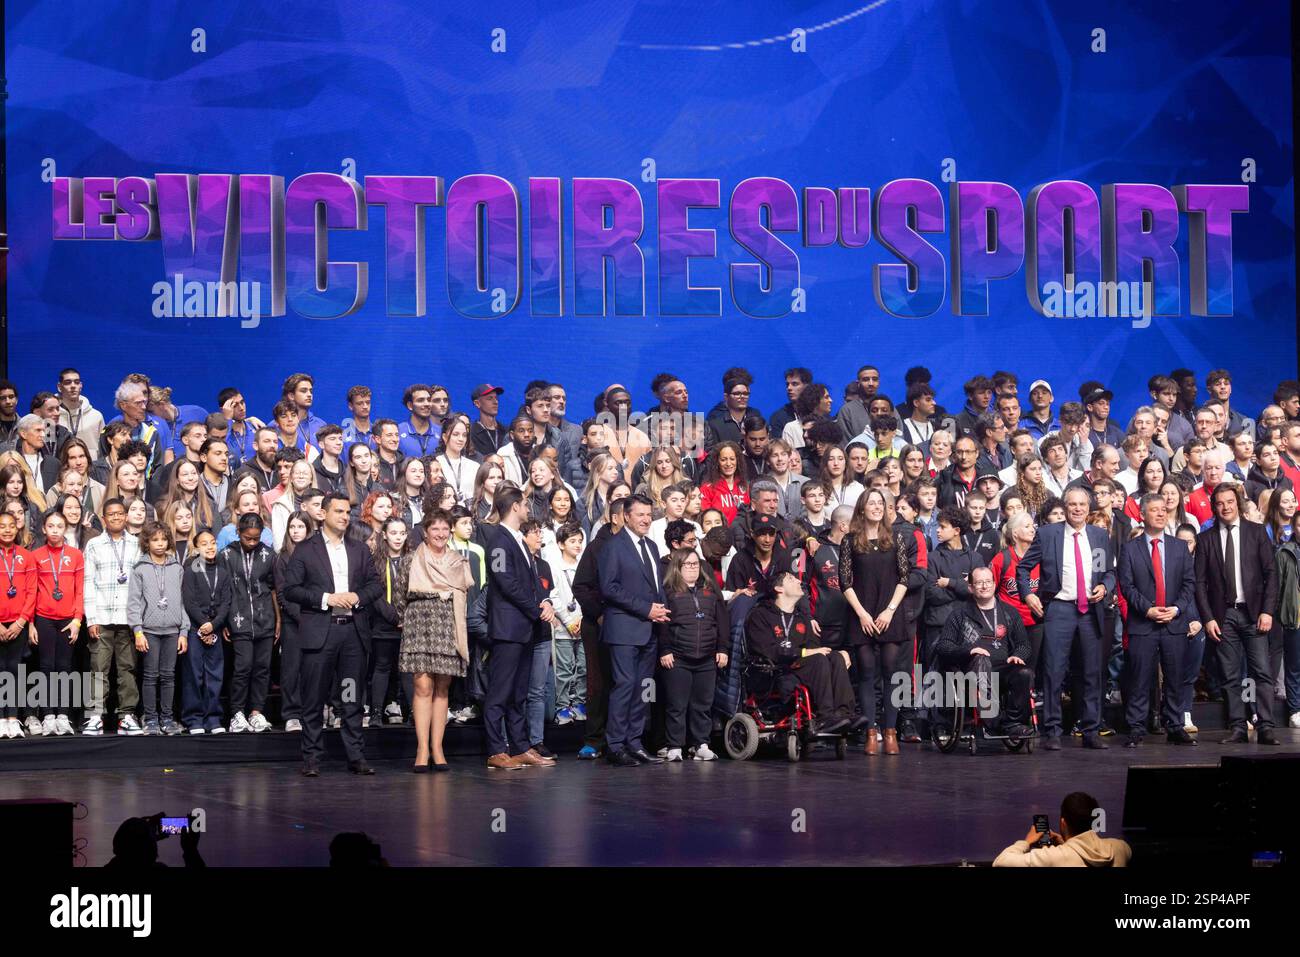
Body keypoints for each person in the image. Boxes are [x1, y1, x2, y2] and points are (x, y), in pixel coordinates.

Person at [283, 492, 383, 776]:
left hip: (352, 634)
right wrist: (327, 598)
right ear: (323, 514)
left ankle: (355, 756)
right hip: (320, 633)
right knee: (314, 698)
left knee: (351, 698)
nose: (344, 516)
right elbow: (290, 589)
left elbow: (375, 586)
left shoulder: (360, 549)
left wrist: (356, 596)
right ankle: (312, 758)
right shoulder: (305, 549)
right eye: (338, 511)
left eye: (347, 511)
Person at [1018, 486, 1115, 750]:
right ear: (1066, 506)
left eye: (1082, 504)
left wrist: (1105, 587)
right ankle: (1052, 731)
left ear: (1089, 507)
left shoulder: (1098, 535)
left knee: (1092, 672)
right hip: (1059, 609)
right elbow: (1023, 568)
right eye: (1072, 504)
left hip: (1089, 611)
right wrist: (1028, 595)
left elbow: (1107, 572)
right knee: (1053, 671)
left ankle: (1091, 730)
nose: (1078, 509)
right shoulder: (1049, 534)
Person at [1194, 484, 1280, 744]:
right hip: (1224, 617)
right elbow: (1199, 583)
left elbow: (1271, 575)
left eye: (1230, 502)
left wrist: (1267, 611)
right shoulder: (1205, 539)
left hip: (1254, 614)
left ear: (1238, 503)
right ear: (1214, 507)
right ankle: (1237, 727)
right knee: (1230, 676)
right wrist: (1208, 618)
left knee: (1262, 672)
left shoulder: (1256, 533)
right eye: (1219, 503)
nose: (1226, 507)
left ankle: (1266, 726)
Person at [482, 486, 557, 769]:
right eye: (525, 504)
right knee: (500, 691)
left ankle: (521, 746)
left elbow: (532, 580)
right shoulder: (498, 540)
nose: (528, 508)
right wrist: (535, 608)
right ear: (514, 506)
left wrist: (545, 601)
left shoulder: (518, 541)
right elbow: (506, 581)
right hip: (508, 628)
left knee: (519, 693)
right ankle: (495, 750)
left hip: (524, 627)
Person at [394, 510, 474, 772]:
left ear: (450, 531)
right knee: (422, 686)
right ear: (425, 532)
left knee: (442, 688)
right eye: (434, 529)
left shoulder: (458, 561)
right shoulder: (410, 560)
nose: (440, 534)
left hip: (448, 625)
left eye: (444, 529)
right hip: (419, 624)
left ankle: (438, 748)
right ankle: (421, 748)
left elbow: (465, 593)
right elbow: (399, 597)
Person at [1118, 494, 1199, 747]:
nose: (1161, 514)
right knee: (1140, 678)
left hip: (1174, 623)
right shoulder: (1130, 548)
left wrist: (1176, 609)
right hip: (1144, 624)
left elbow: (1189, 583)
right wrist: (1148, 610)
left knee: (1175, 678)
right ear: (1142, 515)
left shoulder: (1178, 546)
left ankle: (1175, 726)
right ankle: (1136, 727)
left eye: (1164, 510)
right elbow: (1127, 586)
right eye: (1155, 510)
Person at [598, 493, 669, 767]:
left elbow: (655, 586)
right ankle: (615, 745)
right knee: (625, 686)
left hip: (649, 629)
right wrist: (646, 609)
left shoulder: (651, 546)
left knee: (642, 688)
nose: (646, 519)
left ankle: (635, 742)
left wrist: (660, 610)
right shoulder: (612, 546)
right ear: (626, 516)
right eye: (640, 514)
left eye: (649, 514)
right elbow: (610, 588)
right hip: (624, 629)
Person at [839, 488, 911, 754]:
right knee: (867, 674)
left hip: (890, 613)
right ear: (862, 508)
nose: (877, 507)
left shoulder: (895, 538)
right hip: (862, 614)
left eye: (881, 503)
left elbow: (904, 578)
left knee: (891, 674)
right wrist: (862, 614)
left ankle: (890, 732)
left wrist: (890, 610)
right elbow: (845, 581)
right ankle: (872, 733)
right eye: (872, 503)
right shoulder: (850, 540)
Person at [747, 570, 856, 730]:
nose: (799, 581)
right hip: (776, 670)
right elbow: (767, 650)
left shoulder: (801, 618)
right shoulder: (760, 615)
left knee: (835, 658)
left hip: (802, 665)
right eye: (791, 579)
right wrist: (804, 653)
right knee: (818, 659)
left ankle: (844, 715)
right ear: (779, 589)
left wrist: (838, 653)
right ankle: (825, 717)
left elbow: (814, 647)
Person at [933, 565, 1034, 738]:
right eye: (979, 583)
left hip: (1001, 668)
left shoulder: (1010, 612)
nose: (985, 586)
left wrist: (1018, 655)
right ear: (971, 588)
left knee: (1024, 673)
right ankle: (993, 721)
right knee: (981, 659)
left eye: (988, 582)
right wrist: (969, 650)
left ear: (995, 584)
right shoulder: (959, 615)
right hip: (970, 671)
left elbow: (1024, 644)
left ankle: (1012, 723)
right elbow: (943, 646)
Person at [655, 547, 728, 761]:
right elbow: (662, 624)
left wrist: (722, 649)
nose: (692, 568)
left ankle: (701, 744)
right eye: (687, 564)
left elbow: (722, 622)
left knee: (703, 705)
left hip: (706, 657)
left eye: (695, 564)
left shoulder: (710, 591)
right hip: (678, 657)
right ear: (677, 567)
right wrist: (665, 649)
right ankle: (675, 746)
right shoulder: (668, 591)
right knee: (676, 705)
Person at [127, 521, 189, 735]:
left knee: (169, 676)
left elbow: (182, 602)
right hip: (149, 631)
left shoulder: (177, 568)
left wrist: (183, 632)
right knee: (151, 676)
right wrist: (138, 631)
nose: (160, 544)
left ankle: (167, 719)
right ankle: (151, 719)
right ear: (146, 542)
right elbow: (134, 603)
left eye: (163, 539)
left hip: (172, 631)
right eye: (155, 540)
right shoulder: (139, 569)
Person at [221, 513, 279, 734]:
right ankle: (237, 713)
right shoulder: (226, 555)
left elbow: (274, 588)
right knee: (243, 667)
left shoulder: (268, 554)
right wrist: (224, 620)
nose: (252, 543)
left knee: (262, 669)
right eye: (247, 538)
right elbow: (222, 589)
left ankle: (256, 712)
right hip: (239, 620)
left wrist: (278, 620)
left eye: (256, 538)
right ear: (238, 533)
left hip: (265, 620)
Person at [29, 509, 85, 736]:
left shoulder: (75, 555)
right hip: (43, 618)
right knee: (45, 667)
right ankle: (47, 715)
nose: (55, 530)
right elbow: (31, 591)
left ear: (66, 529)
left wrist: (77, 620)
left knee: (64, 667)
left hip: (68, 619)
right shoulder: (36, 555)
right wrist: (31, 623)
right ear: (44, 528)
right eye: (50, 526)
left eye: (59, 526)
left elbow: (79, 591)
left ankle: (63, 715)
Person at [993, 792, 1132, 867]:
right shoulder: (1121, 848)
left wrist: (1026, 842)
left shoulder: (1053, 857)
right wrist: (1067, 844)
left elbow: (1001, 862)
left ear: (1063, 823)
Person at [180, 527, 230, 734]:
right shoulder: (191, 569)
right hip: (195, 627)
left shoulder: (223, 569)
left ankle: (213, 718)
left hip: (215, 628)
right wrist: (203, 625)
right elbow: (189, 602)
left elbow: (227, 601)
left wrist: (214, 624)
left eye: (213, 542)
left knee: (215, 675)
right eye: (204, 543)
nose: (210, 547)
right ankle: (194, 719)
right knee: (194, 675)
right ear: (196, 547)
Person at [0, 512, 36, 739]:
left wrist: (21, 622)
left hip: (18, 625)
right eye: (2, 526)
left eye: (11, 526)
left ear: (17, 529)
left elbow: (32, 592)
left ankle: (13, 719)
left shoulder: (26, 557)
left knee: (14, 672)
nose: (6, 530)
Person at [548, 522, 587, 725]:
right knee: (564, 669)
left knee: (583, 667)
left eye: (580, 541)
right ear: (561, 544)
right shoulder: (554, 567)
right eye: (572, 541)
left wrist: (582, 618)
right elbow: (554, 597)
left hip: (583, 624)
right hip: (564, 627)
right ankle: (562, 706)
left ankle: (579, 703)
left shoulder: (584, 565)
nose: (578, 545)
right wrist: (569, 620)